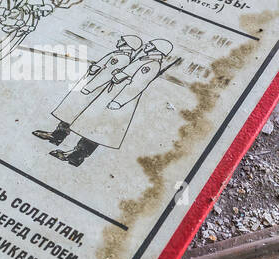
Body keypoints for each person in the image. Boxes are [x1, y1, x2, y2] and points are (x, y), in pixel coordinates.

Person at [37, 38, 176, 166]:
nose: (147, 45)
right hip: (110, 94)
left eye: (151, 45)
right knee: (89, 124)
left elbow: (136, 85)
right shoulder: (143, 60)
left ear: (158, 49)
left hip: (118, 99)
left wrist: (119, 101)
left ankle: (76, 155)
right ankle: (64, 144)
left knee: (97, 129)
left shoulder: (151, 65)